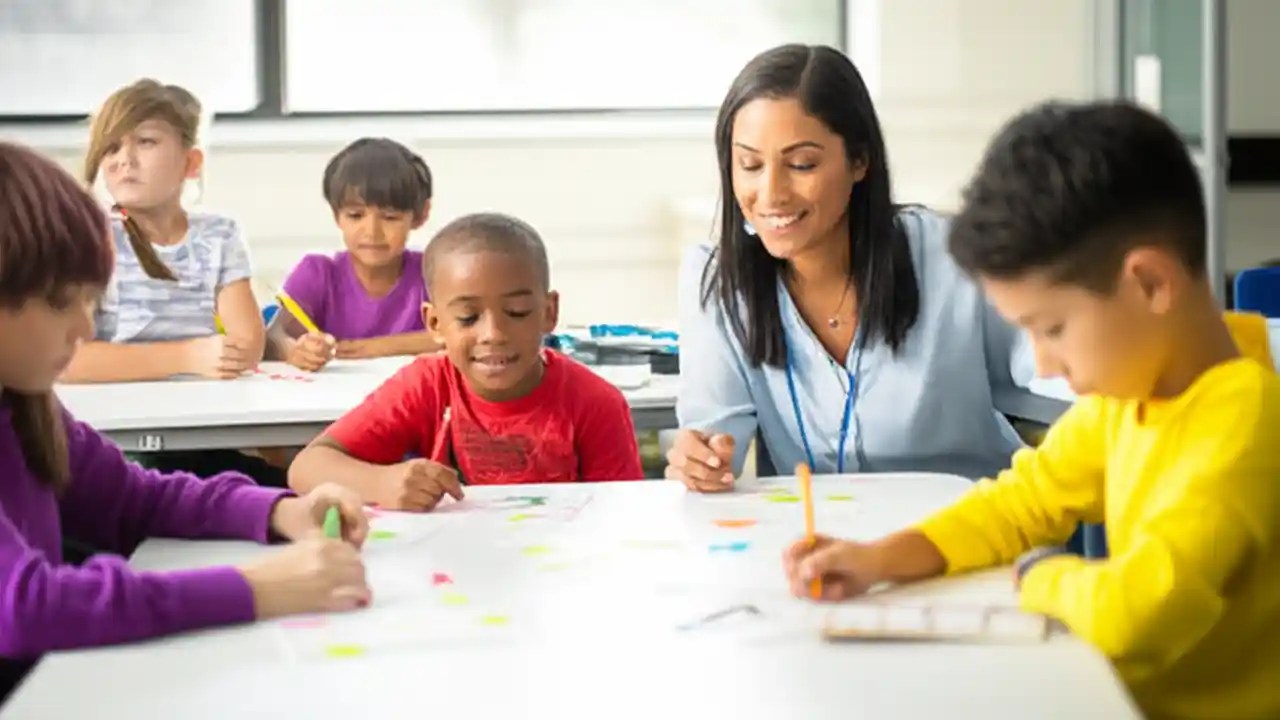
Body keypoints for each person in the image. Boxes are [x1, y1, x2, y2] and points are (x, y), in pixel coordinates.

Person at [783, 101, 1280, 720]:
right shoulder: (1135, 394)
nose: (1043, 363)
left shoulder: (1242, 422)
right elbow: (1024, 503)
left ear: (1150, 284)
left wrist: (1043, 575)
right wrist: (879, 558)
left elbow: (1137, 613)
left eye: (1053, 328)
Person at [0, 141, 371, 703]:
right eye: (59, 301)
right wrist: (259, 587)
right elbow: (27, 608)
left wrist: (279, 510)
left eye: (88, 300)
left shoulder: (25, 406)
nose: (84, 327)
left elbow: (132, 498)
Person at [667, 44, 1032, 491]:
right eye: (750, 164)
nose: (772, 193)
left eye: (801, 164)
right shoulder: (717, 282)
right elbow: (715, 438)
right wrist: (701, 461)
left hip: (976, 519)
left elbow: (1063, 365)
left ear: (859, 160)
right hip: (822, 531)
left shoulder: (954, 257)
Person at [288, 213, 643, 509]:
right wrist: (381, 482)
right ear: (435, 323)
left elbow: (623, 516)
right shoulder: (427, 385)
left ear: (549, 313)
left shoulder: (595, 402)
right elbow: (306, 467)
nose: (493, 334)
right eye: (468, 318)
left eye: (517, 312)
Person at [61, 78, 284, 486]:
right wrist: (187, 357)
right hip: (117, 441)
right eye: (111, 147)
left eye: (145, 141)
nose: (124, 159)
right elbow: (70, 360)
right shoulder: (91, 237)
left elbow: (246, 345)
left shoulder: (220, 233)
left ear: (190, 163)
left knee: (275, 487)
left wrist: (207, 358)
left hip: (200, 427)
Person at [266, 138, 440, 372]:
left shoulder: (433, 273)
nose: (372, 232)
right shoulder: (318, 273)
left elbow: (460, 335)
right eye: (355, 215)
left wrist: (367, 349)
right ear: (336, 215)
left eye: (390, 217)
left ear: (420, 215)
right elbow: (274, 335)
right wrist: (294, 351)